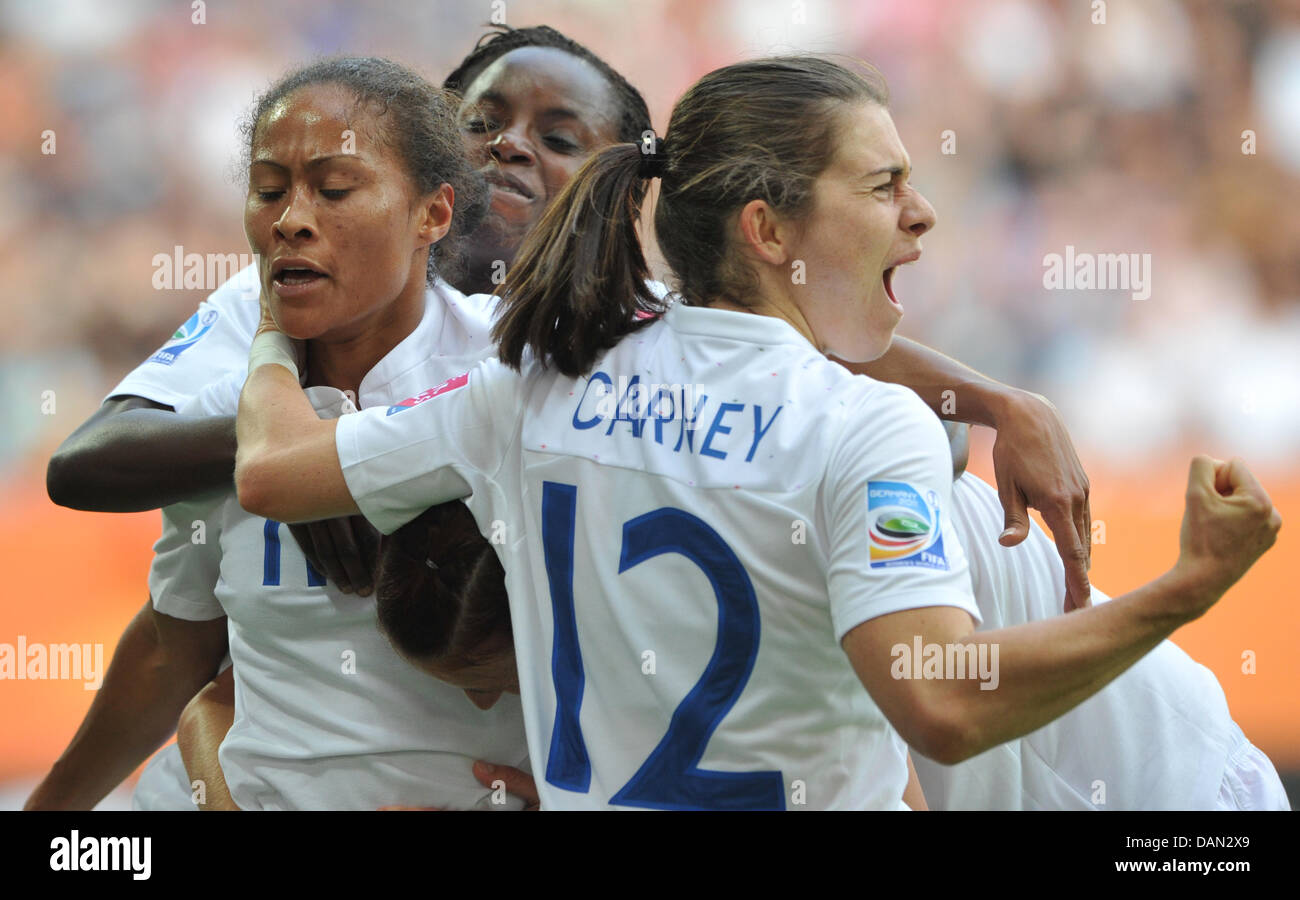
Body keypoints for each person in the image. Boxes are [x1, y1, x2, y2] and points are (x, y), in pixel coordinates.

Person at [232, 55, 1282, 810]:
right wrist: (1189, 585)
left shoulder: (537, 388)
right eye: (883, 186)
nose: (920, 215)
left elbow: (272, 473)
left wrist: (278, 322)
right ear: (767, 230)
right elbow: (940, 706)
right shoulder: (866, 429)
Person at [32, 56, 535, 812]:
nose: (289, 218)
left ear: (433, 213)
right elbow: (177, 647)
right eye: (268, 191)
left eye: (335, 189)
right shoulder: (219, 411)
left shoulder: (518, 381)